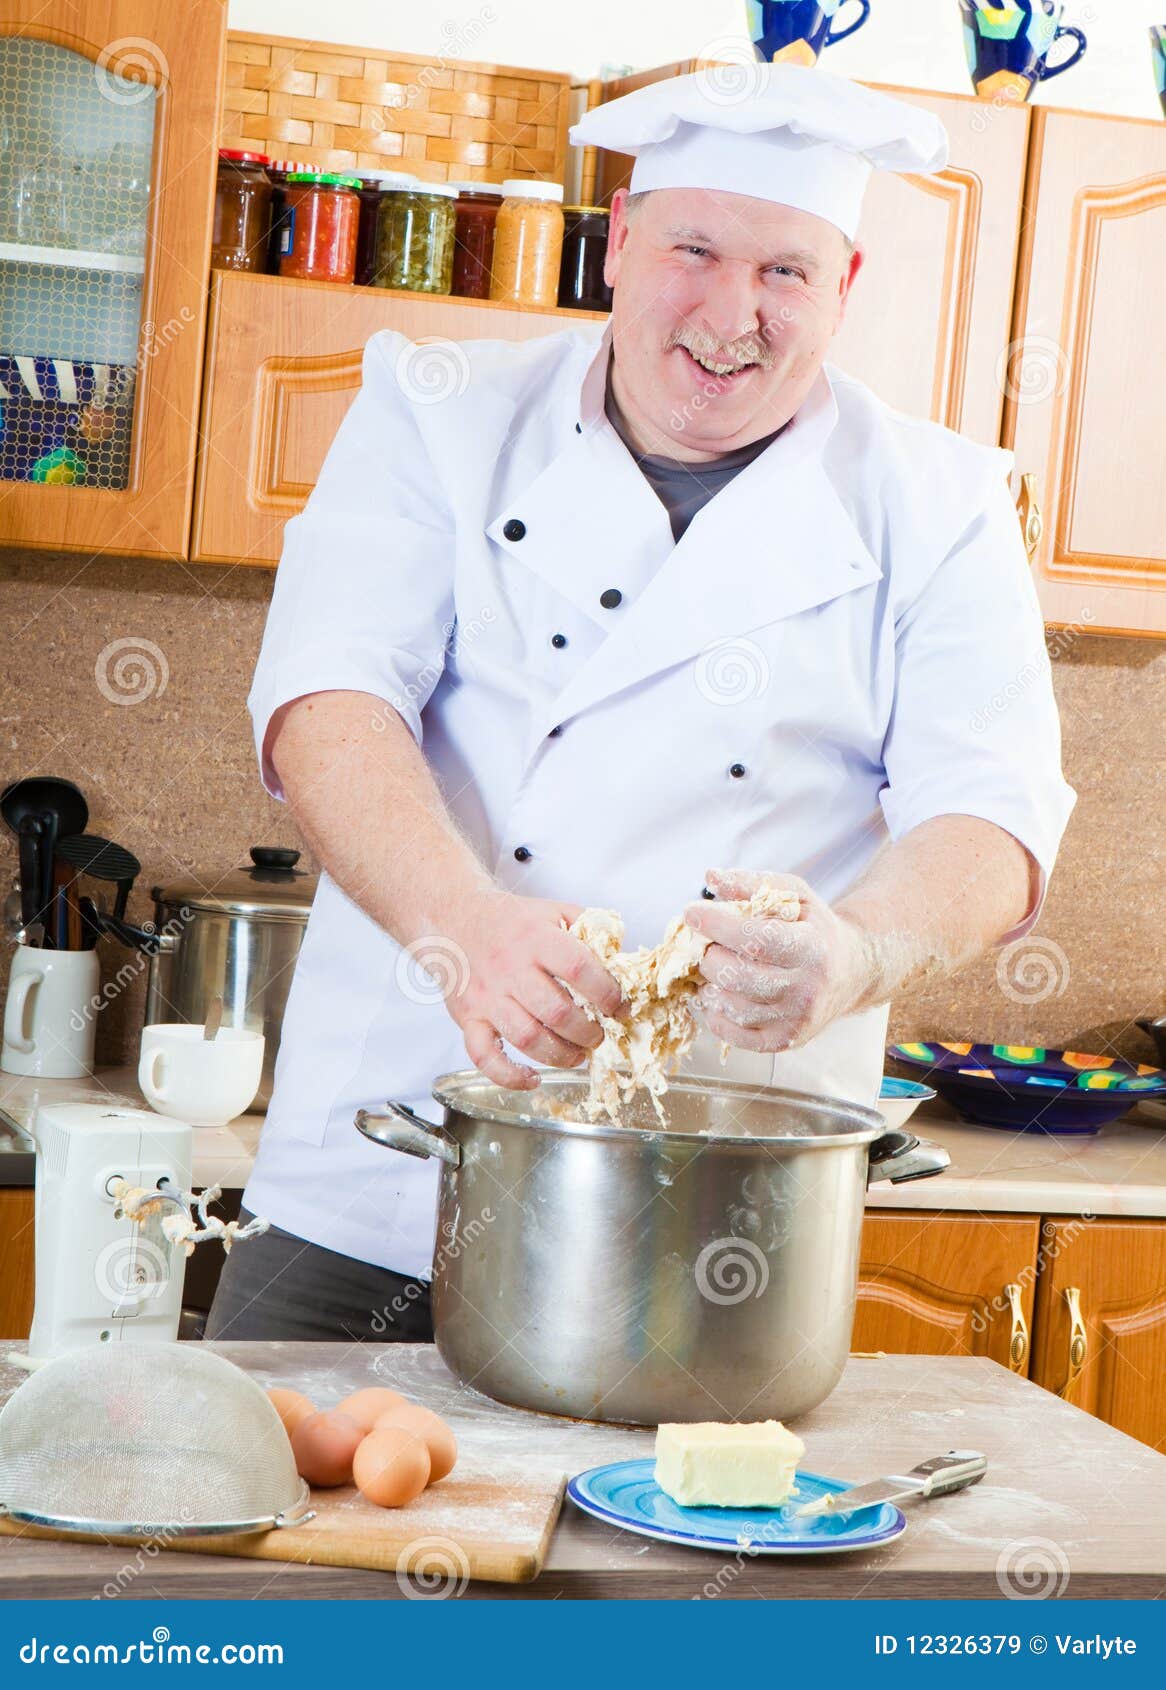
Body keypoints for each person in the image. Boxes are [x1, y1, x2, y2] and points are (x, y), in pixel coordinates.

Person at [206, 65, 1075, 1343]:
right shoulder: (438, 412)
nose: (733, 312)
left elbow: (989, 817)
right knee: (274, 1506)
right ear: (617, 244)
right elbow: (327, 703)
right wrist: (466, 928)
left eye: (786, 271)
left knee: (668, 1540)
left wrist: (855, 954)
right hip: (385, 1158)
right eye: (694, 249)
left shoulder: (939, 504)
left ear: (843, 291)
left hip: (717, 1205)